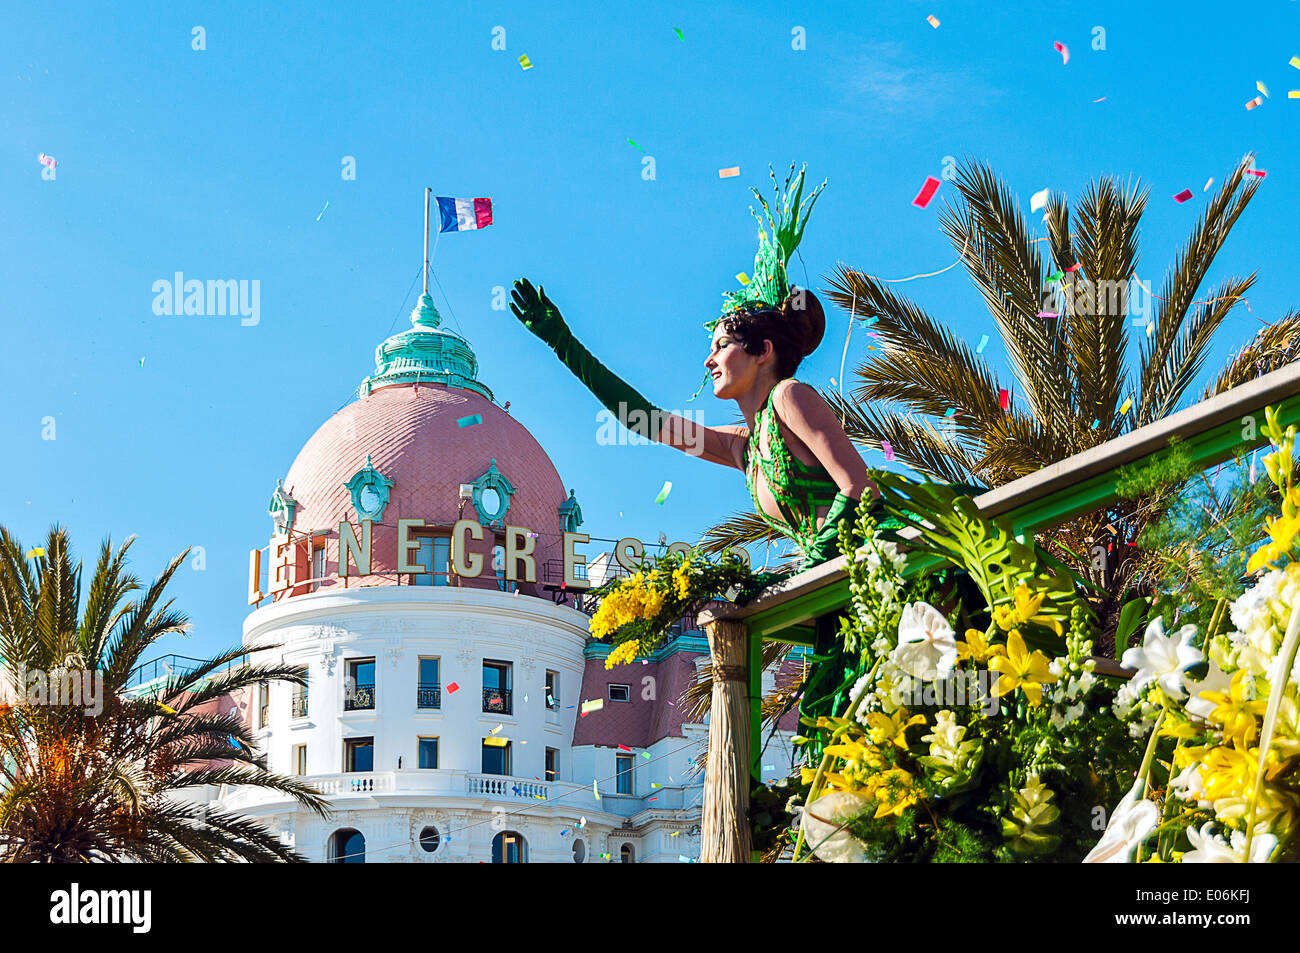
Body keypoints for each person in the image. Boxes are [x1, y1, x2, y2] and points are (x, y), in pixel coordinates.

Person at [508, 164, 878, 572]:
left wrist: (814, 559)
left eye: (721, 345)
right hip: (837, 585)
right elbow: (646, 421)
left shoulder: (789, 397)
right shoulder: (746, 447)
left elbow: (860, 488)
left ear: (762, 351)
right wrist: (565, 345)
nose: (709, 360)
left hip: (875, 575)